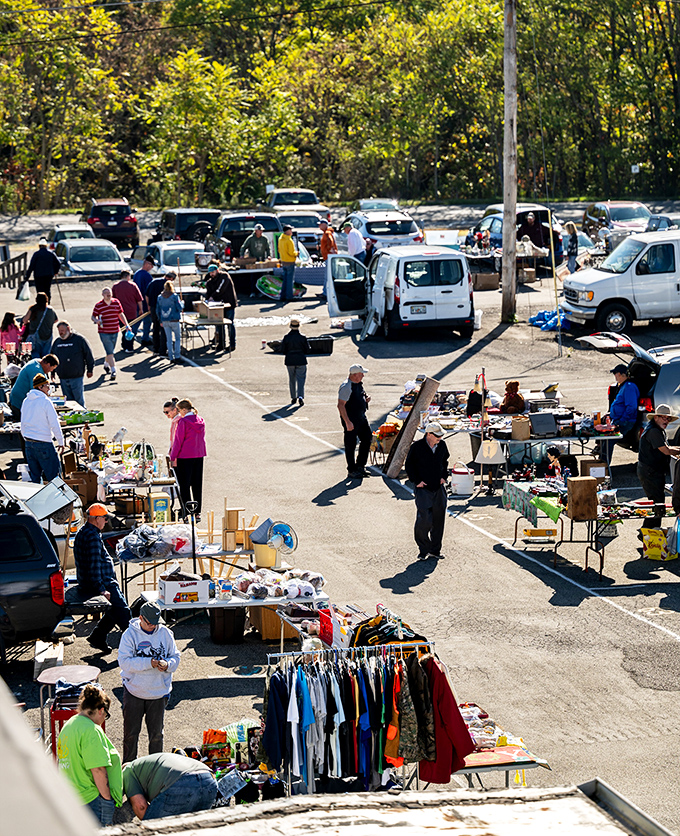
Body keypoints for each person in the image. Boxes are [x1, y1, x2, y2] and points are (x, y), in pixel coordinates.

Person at [118, 600, 180, 764]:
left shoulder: (166, 633)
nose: (153, 626)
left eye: (156, 623)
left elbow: (175, 657)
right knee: (130, 735)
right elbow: (124, 662)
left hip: (158, 693)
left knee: (156, 736)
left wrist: (168, 665)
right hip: (134, 691)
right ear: (141, 618)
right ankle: (128, 768)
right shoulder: (129, 635)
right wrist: (148, 663)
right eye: (150, 623)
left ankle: (155, 768)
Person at [57, 683, 123, 826]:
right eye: (106, 715)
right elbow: (98, 770)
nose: (104, 719)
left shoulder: (68, 726)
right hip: (91, 800)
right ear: (101, 710)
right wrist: (107, 801)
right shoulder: (92, 730)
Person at [73, 503, 132, 653]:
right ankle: (134, 648)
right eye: (105, 518)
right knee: (123, 613)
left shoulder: (85, 531)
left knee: (113, 610)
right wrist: (101, 589)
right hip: (103, 582)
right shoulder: (92, 537)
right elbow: (93, 566)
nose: (106, 521)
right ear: (96, 518)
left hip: (95, 581)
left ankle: (97, 637)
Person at [122, 753, 218, 821]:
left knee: (154, 828)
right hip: (209, 780)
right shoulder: (145, 764)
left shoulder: (127, 771)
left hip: (181, 782)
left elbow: (141, 807)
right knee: (193, 829)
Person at [405, 422, 450, 561]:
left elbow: (445, 462)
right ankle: (423, 549)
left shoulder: (442, 445)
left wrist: (444, 476)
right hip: (423, 488)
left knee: (438, 520)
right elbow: (409, 465)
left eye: (441, 435)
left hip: (438, 487)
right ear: (428, 434)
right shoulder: (417, 447)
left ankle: (435, 550)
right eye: (437, 436)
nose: (440, 438)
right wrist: (416, 481)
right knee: (424, 520)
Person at [637, 405, 680, 530]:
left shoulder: (657, 429)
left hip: (653, 471)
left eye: (668, 419)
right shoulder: (654, 431)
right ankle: (648, 531)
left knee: (657, 502)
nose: (666, 421)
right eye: (663, 418)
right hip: (649, 472)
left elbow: (667, 449)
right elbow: (666, 450)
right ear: (656, 417)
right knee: (657, 503)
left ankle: (648, 531)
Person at [20, 373, 64, 483]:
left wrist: (27, 438)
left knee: (35, 479)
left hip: (29, 443)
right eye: (47, 386)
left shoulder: (26, 401)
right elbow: (54, 424)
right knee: (55, 480)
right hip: (44, 443)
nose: (49, 389)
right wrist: (61, 442)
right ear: (40, 387)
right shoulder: (45, 401)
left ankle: (38, 495)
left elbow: (23, 423)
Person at [169, 399, 207, 520]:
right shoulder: (200, 420)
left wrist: (172, 457)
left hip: (185, 456)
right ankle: (197, 512)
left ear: (184, 410)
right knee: (197, 484)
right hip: (199, 455)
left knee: (184, 485)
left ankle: (187, 511)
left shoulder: (183, 422)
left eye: (179, 410)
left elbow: (178, 441)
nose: (179, 413)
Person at [337, 364, 372, 479]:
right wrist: (347, 422)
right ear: (355, 375)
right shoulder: (346, 387)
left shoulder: (358, 384)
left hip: (361, 417)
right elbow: (341, 405)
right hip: (351, 419)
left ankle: (360, 466)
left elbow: (359, 395)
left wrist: (365, 399)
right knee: (350, 444)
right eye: (361, 374)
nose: (363, 376)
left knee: (367, 438)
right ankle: (351, 470)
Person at [51, 321, 95, 407]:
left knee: (79, 402)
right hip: (63, 378)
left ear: (68, 328)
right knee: (68, 403)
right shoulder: (57, 342)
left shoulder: (79, 340)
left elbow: (88, 355)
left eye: (62, 330)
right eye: (59, 331)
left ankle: (82, 413)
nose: (61, 333)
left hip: (76, 377)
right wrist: (52, 372)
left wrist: (90, 369)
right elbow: (52, 358)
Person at [92, 286, 130, 381]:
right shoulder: (99, 305)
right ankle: (113, 370)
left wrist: (127, 325)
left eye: (109, 293)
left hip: (115, 330)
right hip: (104, 332)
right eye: (106, 293)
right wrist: (97, 321)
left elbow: (120, 314)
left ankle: (106, 364)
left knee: (110, 351)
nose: (108, 295)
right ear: (102, 295)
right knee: (110, 352)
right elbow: (93, 316)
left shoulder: (116, 302)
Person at [9, 353, 59, 421]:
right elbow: (37, 391)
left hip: (21, 398)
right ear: (48, 364)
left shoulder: (38, 362)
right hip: (19, 400)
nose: (51, 371)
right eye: (52, 368)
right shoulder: (36, 370)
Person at [205, 267, 238, 352]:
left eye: (213, 272)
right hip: (218, 306)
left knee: (230, 324)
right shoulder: (210, 282)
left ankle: (232, 344)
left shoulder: (224, 276)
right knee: (219, 325)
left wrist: (212, 296)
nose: (211, 274)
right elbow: (208, 293)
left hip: (229, 304)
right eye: (210, 273)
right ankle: (221, 344)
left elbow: (220, 289)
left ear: (217, 270)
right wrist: (207, 299)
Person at [113, 270, 144, 353]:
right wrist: (141, 309)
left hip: (119, 312)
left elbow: (113, 299)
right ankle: (129, 347)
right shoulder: (133, 286)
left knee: (123, 329)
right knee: (130, 329)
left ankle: (124, 345)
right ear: (128, 277)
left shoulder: (115, 286)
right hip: (131, 311)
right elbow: (139, 299)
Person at [281, 318, 309, 406]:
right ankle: (300, 396)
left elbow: (283, 350)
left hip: (290, 360)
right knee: (301, 379)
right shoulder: (302, 337)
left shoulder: (286, 337)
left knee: (292, 379)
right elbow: (307, 349)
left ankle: (293, 397)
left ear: (290, 326)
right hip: (301, 359)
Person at [22, 291, 58, 358]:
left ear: (36, 300)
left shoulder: (33, 309)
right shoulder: (50, 310)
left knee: (35, 352)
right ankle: (46, 364)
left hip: (35, 334)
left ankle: (37, 364)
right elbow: (56, 320)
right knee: (46, 354)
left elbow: (24, 320)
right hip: (48, 334)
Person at [156, 280, 183, 364]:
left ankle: (171, 356)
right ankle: (177, 356)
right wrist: (182, 303)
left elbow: (158, 310)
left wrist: (160, 320)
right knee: (177, 338)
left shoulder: (160, 297)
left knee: (169, 339)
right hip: (174, 319)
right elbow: (179, 307)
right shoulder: (174, 296)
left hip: (164, 320)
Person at [25, 237, 61, 301]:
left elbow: (31, 266)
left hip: (38, 275)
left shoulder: (36, 254)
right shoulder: (51, 253)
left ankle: (40, 302)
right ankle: (47, 302)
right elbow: (58, 263)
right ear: (46, 246)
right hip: (49, 275)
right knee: (47, 289)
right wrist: (55, 271)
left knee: (40, 290)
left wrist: (27, 276)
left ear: (39, 246)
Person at [146, 271, 171, 356]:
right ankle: (163, 349)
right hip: (163, 309)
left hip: (153, 307)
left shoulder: (154, 282)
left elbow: (146, 295)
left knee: (155, 327)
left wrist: (148, 305)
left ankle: (156, 348)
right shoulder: (167, 285)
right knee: (164, 329)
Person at [133, 256, 155, 345]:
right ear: (147, 264)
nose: (152, 268)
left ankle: (129, 338)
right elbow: (149, 291)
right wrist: (150, 303)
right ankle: (145, 338)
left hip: (137, 302)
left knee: (136, 322)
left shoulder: (137, 273)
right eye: (151, 265)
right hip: (145, 303)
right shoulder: (147, 276)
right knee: (147, 322)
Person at [278, 224, 298, 302]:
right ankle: (289, 296)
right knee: (290, 280)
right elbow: (291, 253)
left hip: (284, 261)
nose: (291, 231)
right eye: (290, 230)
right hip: (290, 261)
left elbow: (279, 250)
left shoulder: (280, 239)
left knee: (285, 280)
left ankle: (282, 296)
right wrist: (296, 253)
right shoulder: (289, 240)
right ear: (287, 231)